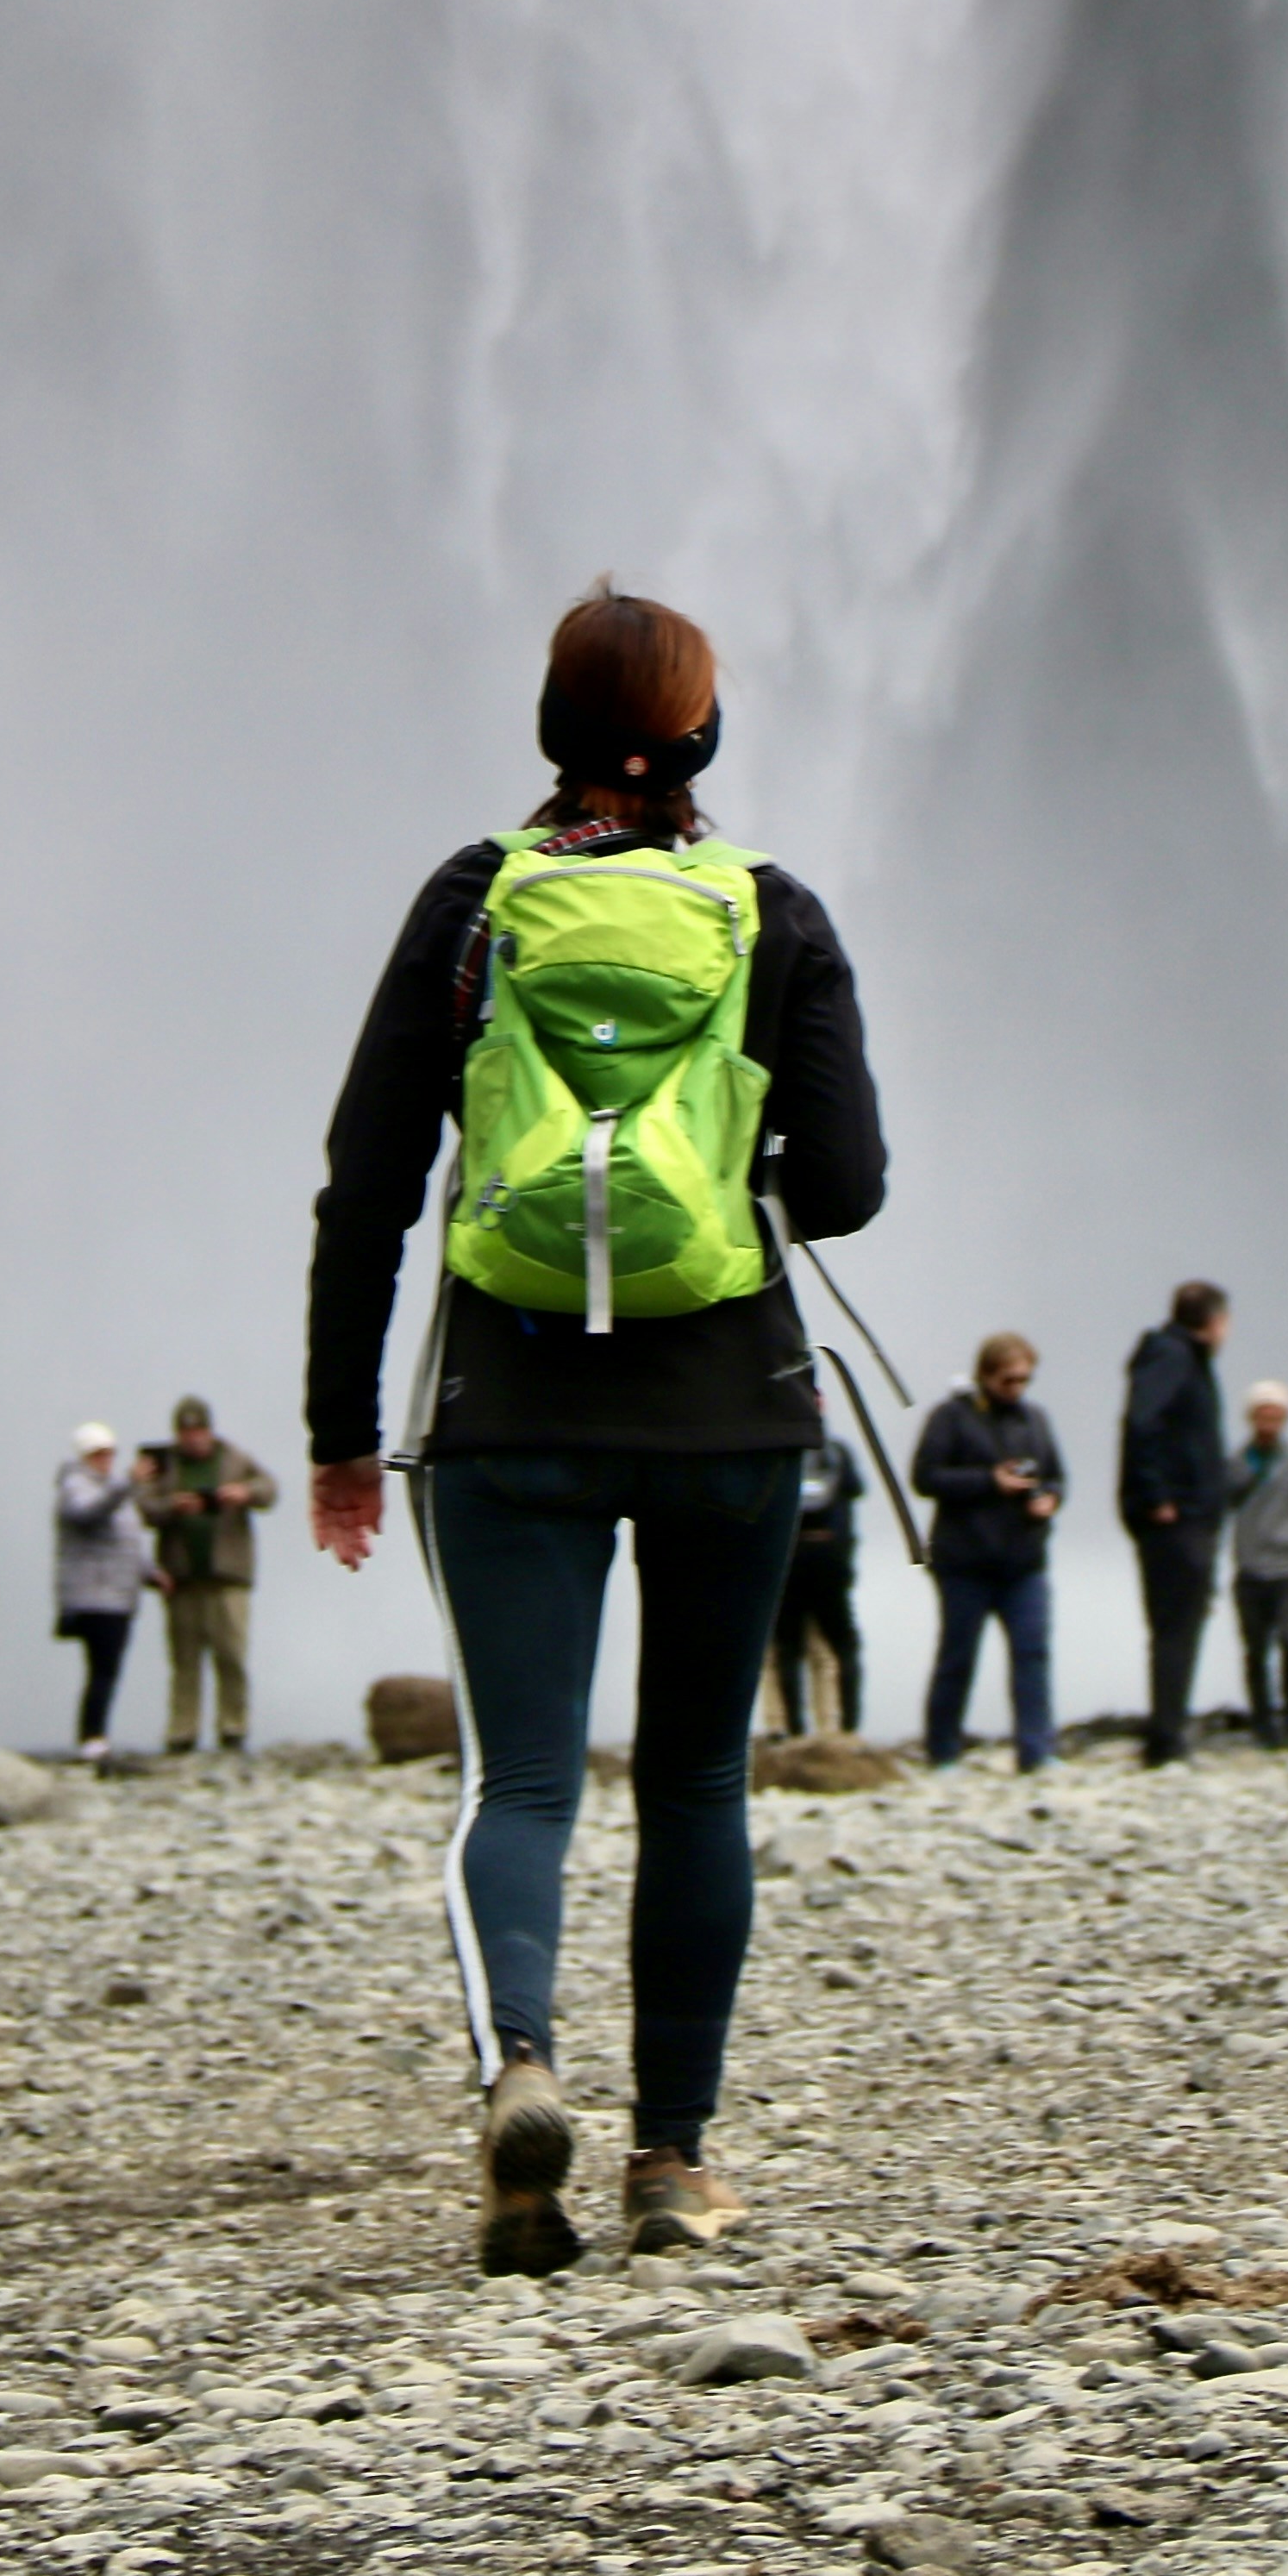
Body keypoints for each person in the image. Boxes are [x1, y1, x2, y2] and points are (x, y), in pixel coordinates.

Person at [302, 579, 887, 2275]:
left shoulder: (474, 900)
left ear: (552, 734)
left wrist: (343, 1428)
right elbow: (845, 1187)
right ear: (704, 735)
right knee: (703, 1779)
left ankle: (521, 2073)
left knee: (524, 1772)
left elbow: (370, 1181)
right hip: (734, 1415)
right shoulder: (772, 912)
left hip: (513, 1404)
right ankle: (674, 2160)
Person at [916, 1335, 1067, 1771]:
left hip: (1025, 1562)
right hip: (965, 1563)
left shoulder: (1035, 1420)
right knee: (958, 1656)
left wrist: (1050, 1498)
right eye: (1008, 1380)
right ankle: (943, 1751)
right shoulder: (951, 1418)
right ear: (986, 1374)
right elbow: (925, 1477)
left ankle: (1037, 1751)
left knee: (1032, 1652)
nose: (1016, 1387)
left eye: (1024, 1379)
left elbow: (1057, 1476)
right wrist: (988, 1481)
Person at [1121, 1282, 1235, 1767]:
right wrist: (1158, 1496)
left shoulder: (1180, 1358)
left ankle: (1169, 1731)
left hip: (1191, 1513)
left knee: (1181, 1626)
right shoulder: (1172, 1358)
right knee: (1176, 1628)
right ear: (1211, 1322)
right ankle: (1166, 1739)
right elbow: (1142, 1423)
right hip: (1177, 1518)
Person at [135, 1397, 278, 1755]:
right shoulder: (164, 1464)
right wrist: (174, 1505)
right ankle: (182, 1730)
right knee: (184, 1658)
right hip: (182, 1577)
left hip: (229, 1575)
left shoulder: (234, 1458)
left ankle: (233, 1727)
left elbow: (270, 1489)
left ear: (209, 1431)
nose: (193, 1438)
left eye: (198, 1431)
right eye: (186, 1432)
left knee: (230, 1653)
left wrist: (243, 1493)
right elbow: (145, 1508)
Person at [1222, 1376, 1288, 1750]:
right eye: (1263, 1415)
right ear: (1251, 1417)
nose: (1269, 1423)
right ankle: (1264, 1721)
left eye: (1276, 1416)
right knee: (1256, 1648)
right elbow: (1225, 1505)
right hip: (1249, 1567)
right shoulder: (1235, 1464)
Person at [54, 1423, 153, 1758]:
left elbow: (129, 1541)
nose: (105, 1460)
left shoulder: (115, 1491)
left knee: (108, 1669)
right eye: (98, 1454)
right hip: (92, 1596)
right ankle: (92, 1737)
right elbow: (88, 1513)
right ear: (83, 1456)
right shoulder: (74, 1486)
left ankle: (96, 1736)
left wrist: (151, 1574)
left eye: (109, 1453)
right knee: (102, 1669)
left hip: (119, 1597)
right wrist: (130, 1484)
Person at [766, 1434, 867, 1739]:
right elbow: (854, 1492)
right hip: (829, 1560)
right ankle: (842, 1728)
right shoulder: (836, 1454)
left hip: (785, 1560)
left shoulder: (774, 1451)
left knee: (786, 1649)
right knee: (837, 1648)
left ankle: (789, 1729)